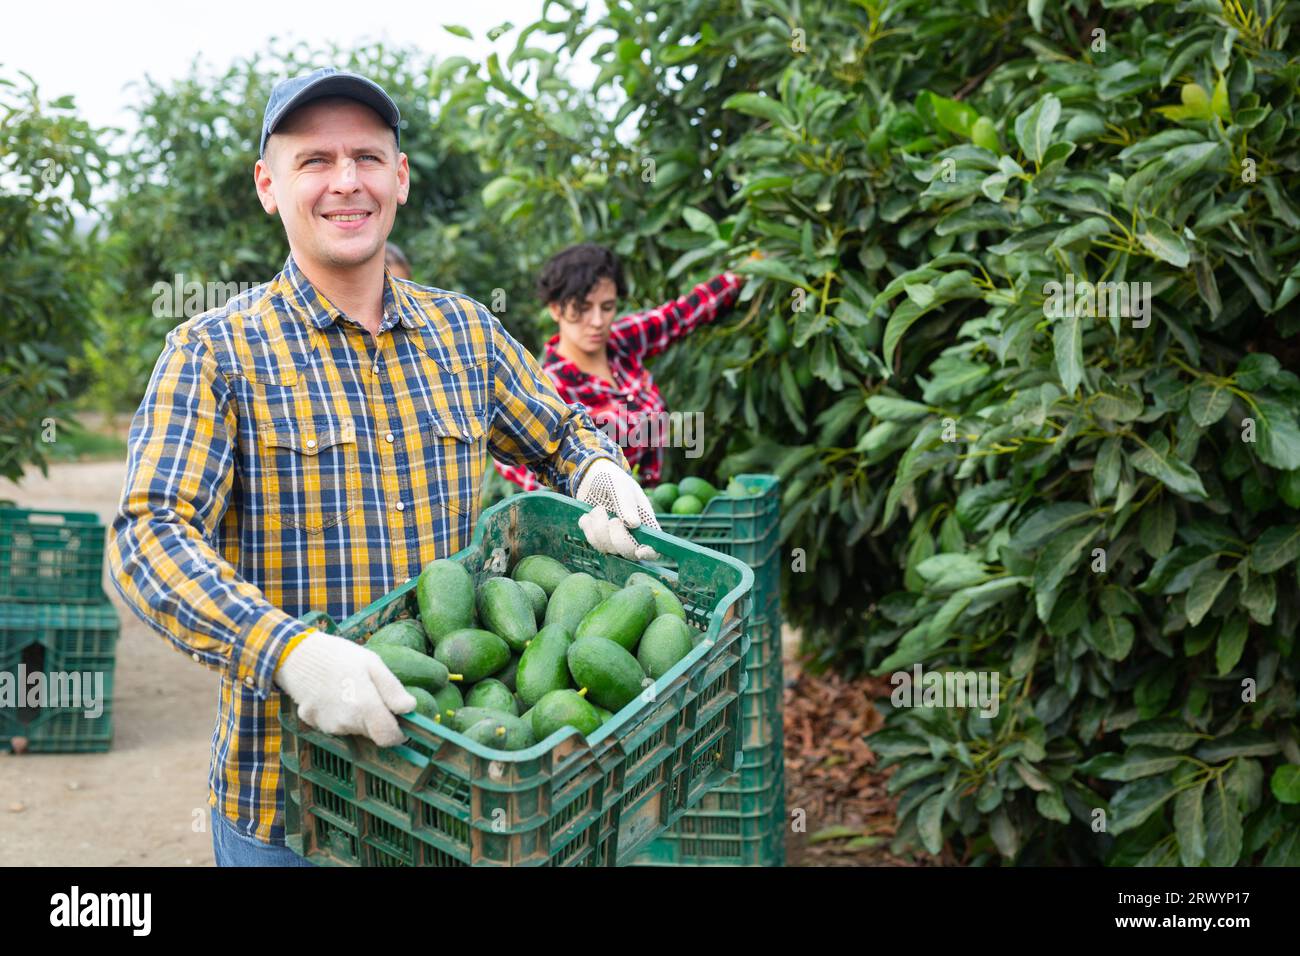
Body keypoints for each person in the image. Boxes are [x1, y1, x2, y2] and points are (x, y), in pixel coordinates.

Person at [107, 68, 661, 867]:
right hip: (289, 804)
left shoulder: (464, 333)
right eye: (315, 161)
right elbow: (149, 537)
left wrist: (597, 473)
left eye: (367, 157)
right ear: (269, 186)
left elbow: (564, 434)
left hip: (450, 796)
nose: (346, 182)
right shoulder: (213, 353)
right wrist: (287, 652)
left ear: (399, 177)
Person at [493, 243, 748, 491]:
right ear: (555, 309)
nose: (596, 321)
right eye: (580, 309)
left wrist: (742, 275)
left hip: (655, 501)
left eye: (607, 307)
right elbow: (518, 461)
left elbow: (679, 315)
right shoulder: (550, 388)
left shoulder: (622, 342)